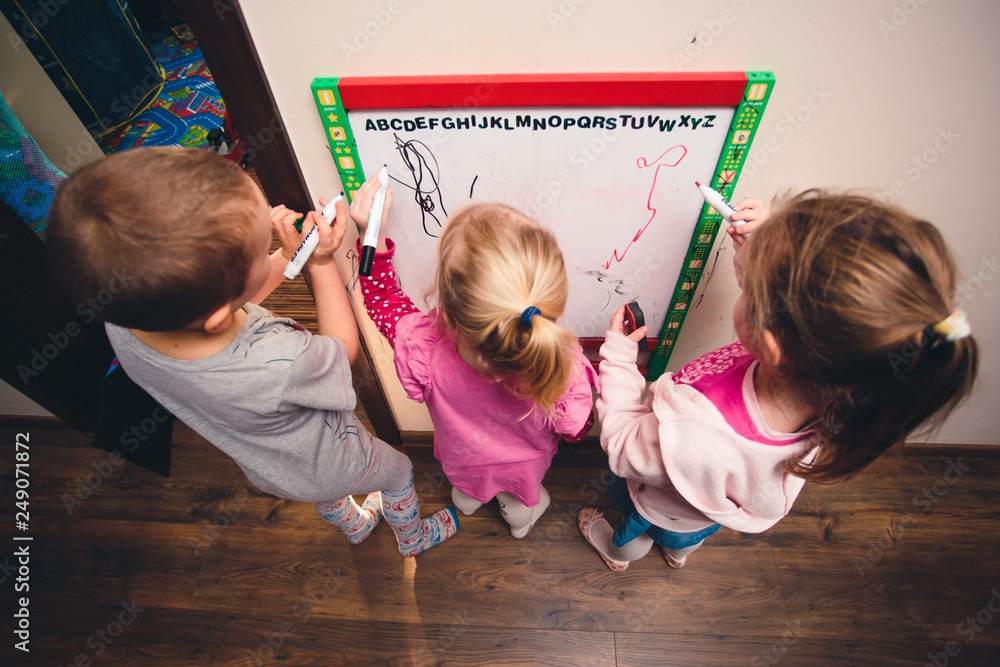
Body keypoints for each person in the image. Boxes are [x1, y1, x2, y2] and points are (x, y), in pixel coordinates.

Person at [46, 147, 457, 557]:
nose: (272, 254)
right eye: (264, 254)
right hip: (333, 457)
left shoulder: (126, 322)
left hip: (270, 467)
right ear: (219, 315)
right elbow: (341, 350)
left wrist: (284, 255)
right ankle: (413, 539)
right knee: (399, 471)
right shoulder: (277, 363)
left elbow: (235, 296)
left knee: (327, 497)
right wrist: (320, 262)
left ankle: (356, 527)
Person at [579, 190, 978, 571]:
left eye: (753, 287)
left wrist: (618, 357)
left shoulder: (696, 431)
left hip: (654, 503)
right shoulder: (846, 392)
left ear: (770, 341)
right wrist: (766, 252)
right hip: (707, 515)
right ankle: (679, 555)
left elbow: (620, 441)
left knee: (636, 532)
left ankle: (618, 554)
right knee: (685, 538)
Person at [350, 172, 599, 539]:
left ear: (449, 309)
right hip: (523, 471)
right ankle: (520, 521)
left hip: (462, 462)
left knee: (465, 493)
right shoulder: (564, 366)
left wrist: (370, 232)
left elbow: (382, 299)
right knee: (520, 505)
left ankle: (467, 500)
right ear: (549, 308)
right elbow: (576, 430)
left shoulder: (425, 348)